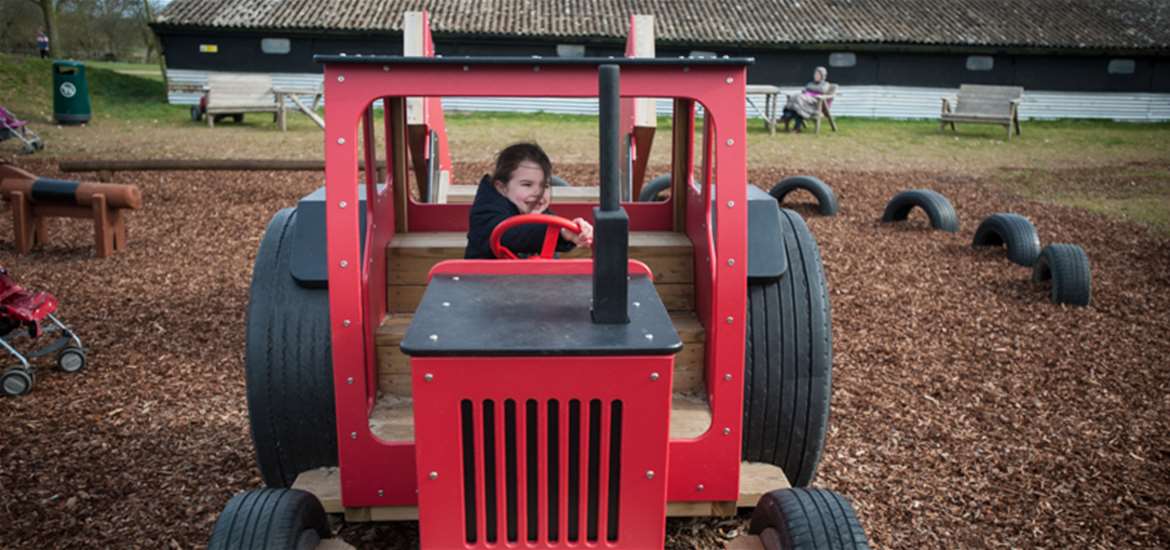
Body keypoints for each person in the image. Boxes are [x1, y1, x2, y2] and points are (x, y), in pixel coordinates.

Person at [464, 142, 594, 259]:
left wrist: (571, 234)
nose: (538, 193)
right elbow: (511, 235)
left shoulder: (543, 216)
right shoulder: (486, 214)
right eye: (527, 185)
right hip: (483, 282)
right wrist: (559, 232)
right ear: (502, 188)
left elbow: (547, 234)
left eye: (545, 186)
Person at [780, 66, 832, 132]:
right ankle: (786, 115)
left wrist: (810, 89)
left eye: (818, 75)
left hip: (815, 103)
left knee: (799, 98)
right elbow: (805, 89)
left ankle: (788, 118)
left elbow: (822, 90)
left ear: (822, 76)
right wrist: (808, 90)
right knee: (794, 97)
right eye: (815, 74)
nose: (816, 76)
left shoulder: (825, 84)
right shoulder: (811, 83)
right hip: (805, 101)